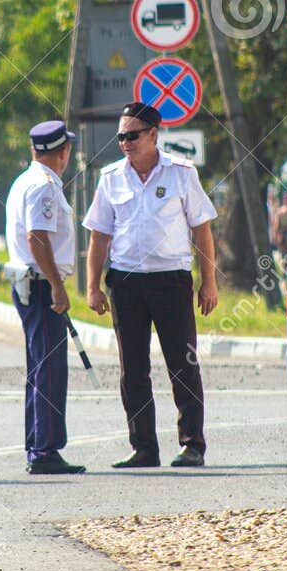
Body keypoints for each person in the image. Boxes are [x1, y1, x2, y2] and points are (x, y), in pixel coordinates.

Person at [83, 101, 218, 468]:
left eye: (132, 135)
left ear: (154, 134)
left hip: (171, 281)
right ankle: (143, 447)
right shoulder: (111, 177)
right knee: (133, 369)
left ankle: (192, 444)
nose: (125, 142)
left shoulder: (180, 173)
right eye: (121, 137)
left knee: (183, 364)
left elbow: (202, 228)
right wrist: (92, 286)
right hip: (126, 283)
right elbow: (99, 236)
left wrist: (209, 282)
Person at [4, 119, 84, 475]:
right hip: (39, 284)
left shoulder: (26, 180)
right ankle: (44, 450)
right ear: (63, 152)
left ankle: (38, 444)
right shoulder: (44, 187)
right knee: (49, 368)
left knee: (40, 367)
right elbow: (38, 238)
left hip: (30, 282)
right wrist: (57, 284)